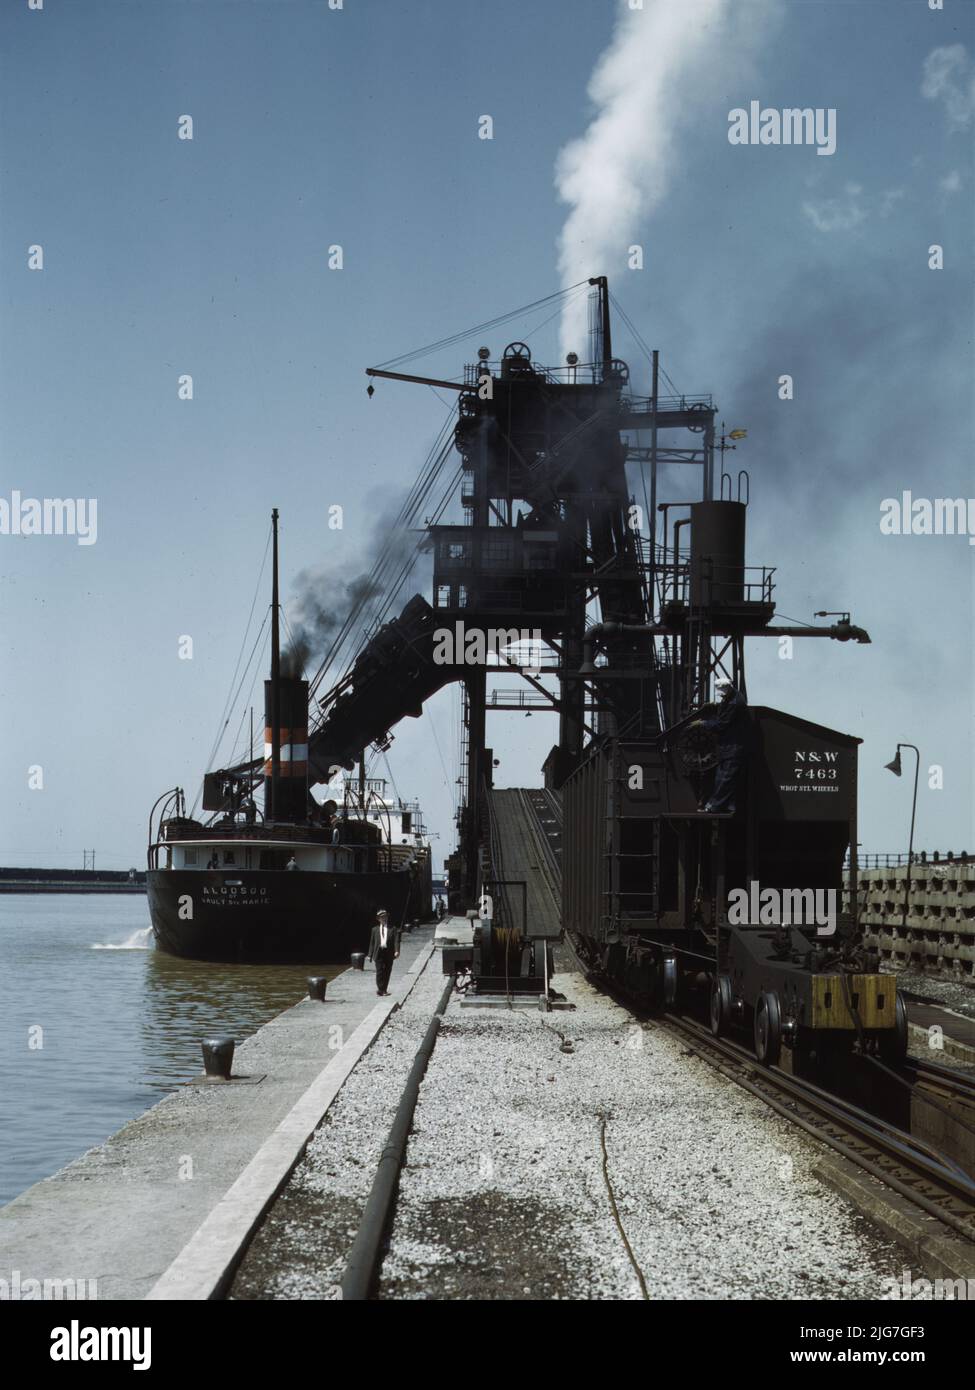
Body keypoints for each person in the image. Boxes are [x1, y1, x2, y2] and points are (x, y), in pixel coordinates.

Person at [691, 680, 749, 814]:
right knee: (724, 778)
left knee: (724, 779)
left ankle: (714, 807)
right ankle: (729, 805)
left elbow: (721, 725)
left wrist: (703, 723)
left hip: (733, 746)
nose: (721, 696)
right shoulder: (733, 696)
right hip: (730, 746)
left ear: (728, 688)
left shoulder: (734, 703)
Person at [368, 908, 399, 996]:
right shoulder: (374, 929)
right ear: (378, 919)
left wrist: (397, 951)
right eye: (382, 917)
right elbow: (372, 943)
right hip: (378, 952)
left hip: (388, 952)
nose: (384, 919)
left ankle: (384, 989)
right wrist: (370, 955)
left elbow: (396, 941)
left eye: (385, 917)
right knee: (379, 971)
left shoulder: (393, 928)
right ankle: (380, 989)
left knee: (387, 971)